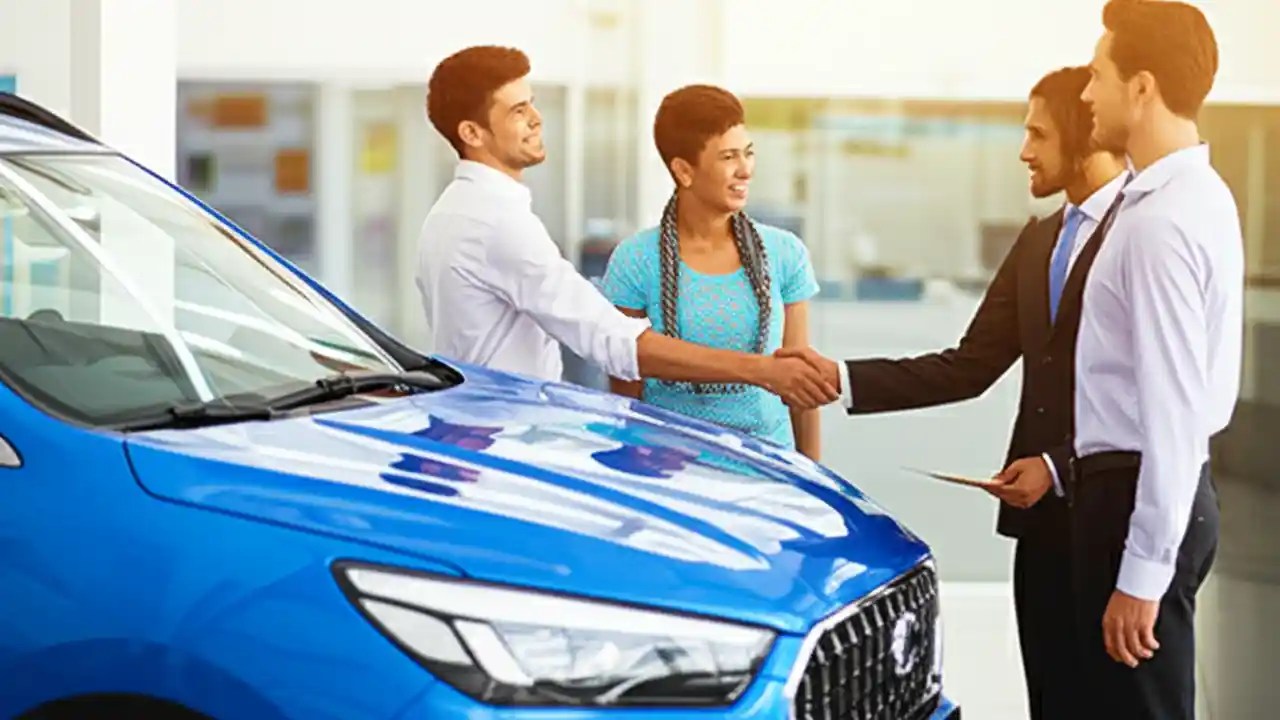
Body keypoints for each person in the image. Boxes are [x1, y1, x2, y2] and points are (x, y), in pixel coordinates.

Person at [777, 67, 1128, 719]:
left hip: (1122, 524)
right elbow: (969, 366)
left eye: (1038, 134)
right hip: (1044, 530)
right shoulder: (1040, 240)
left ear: (1084, 134)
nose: (1023, 151)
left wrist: (1059, 465)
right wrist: (837, 378)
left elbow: (1157, 396)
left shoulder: (1144, 230)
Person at [1000, 2, 1242, 717]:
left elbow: (1174, 414)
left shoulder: (1162, 222)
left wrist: (1143, 571)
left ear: (1141, 87)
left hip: (1135, 498)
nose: (1086, 94)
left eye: (1098, 76)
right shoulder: (1185, 198)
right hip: (1127, 494)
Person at [414, 46, 837, 411]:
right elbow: (613, 341)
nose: (537, 120)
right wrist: (761, 370)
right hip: (502, 431)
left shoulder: (453, 211)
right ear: (472, 133)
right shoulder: (497, 223)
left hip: (481, 421)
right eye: (518, 111)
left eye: (533, 104)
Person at [598, 85, 823, 459]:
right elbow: (626, 393)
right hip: (669, 467)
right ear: (684, 170)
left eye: (748, 153)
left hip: (769, 468)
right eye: (728, 157)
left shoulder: (785, 253)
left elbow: (801, 386)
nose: (745, 169)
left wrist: (814, 475)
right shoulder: (635, 260)